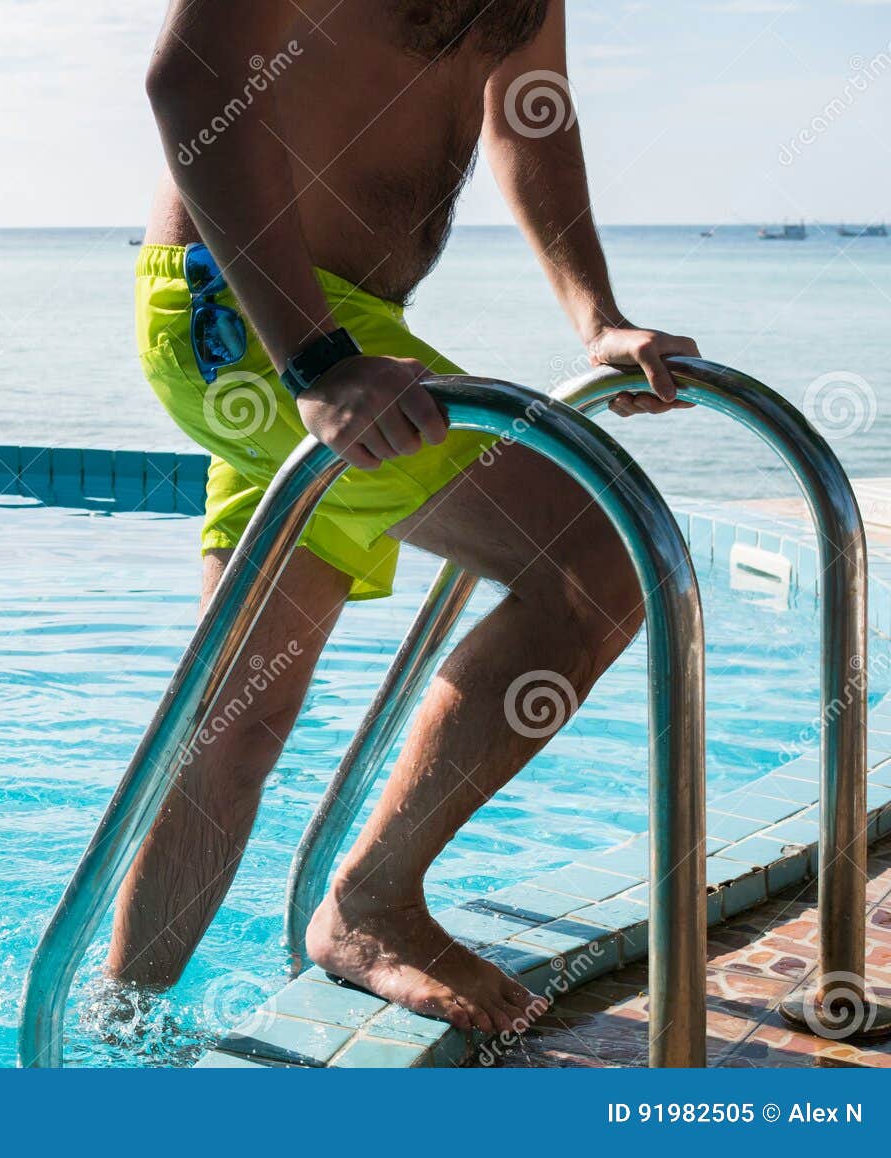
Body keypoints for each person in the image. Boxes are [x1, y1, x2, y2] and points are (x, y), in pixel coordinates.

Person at [110, 0, 699, 1035]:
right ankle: (369, 901)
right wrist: (315, 360)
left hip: (318, 332)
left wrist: (594, 313)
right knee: (593, 567)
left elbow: (533, 113)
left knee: (239, 720)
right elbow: (190, 78)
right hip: (253, 318)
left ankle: (113, 1030)